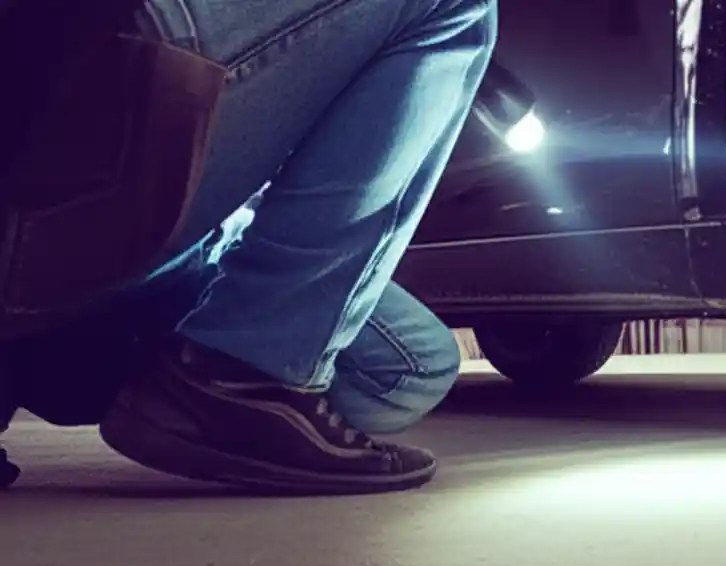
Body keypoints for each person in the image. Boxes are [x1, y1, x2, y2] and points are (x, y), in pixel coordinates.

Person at [90, 0, 498, 493]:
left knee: (416, 368)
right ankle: (238, 370)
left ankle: (159, 352)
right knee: (455, 3)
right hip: (71, 78)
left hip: (126, 258)